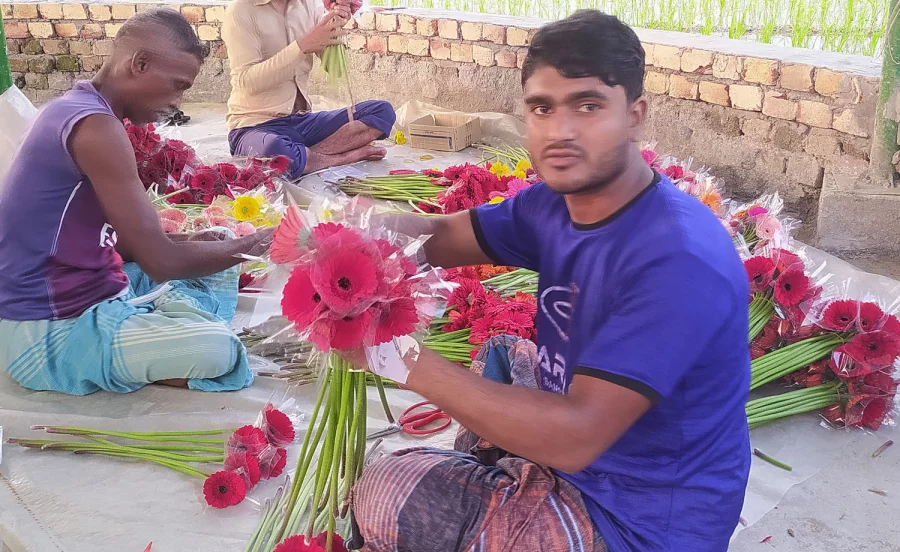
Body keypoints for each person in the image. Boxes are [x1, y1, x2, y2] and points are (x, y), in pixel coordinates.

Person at [349, 11, 751, 552]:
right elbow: (441, 237)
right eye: (542, 108)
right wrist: (346, 236)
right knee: (502, 354)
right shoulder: (558, 204)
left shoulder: (678, 259)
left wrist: (394, 357)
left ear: (636, 116)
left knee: (385, 487)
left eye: (587, 106)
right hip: (595, 444)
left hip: (639, 517)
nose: (560, 131)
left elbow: (577, 435)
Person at [0, 9, 271, 395]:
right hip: (45, 332)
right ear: (139, 63)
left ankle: (153, 324)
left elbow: (115, 241)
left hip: (89, 291)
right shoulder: (96, 128)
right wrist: (262, 243)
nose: (178, 103)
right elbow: (159, 262)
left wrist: (204, 243)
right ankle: (145, 339)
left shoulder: (76, 108)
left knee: (215, 243)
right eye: (178, 86)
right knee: (217, 349)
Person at [222, 0, 397, 179]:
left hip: (301, 122)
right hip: (254, 127)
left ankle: (307, 157)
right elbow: (247, 81)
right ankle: (343, 157)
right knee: (273, 149)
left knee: (382, 112)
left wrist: (335, 23)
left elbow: (334, 69)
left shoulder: (309, 6)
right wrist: (302, 46)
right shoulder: (240, 11)